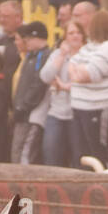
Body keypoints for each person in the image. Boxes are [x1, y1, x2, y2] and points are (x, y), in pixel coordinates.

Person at [67, 9, 108, 168]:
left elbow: (89, 75)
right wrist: (78, 73)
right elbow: (71, 65)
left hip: (98, 107)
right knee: (82, 154)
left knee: (99, 152)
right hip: (79, 106)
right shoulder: (89, 46)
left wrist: (79, 73)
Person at [38, 16, 80, 167]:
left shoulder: (87, 54)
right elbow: (45, 76)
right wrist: (62, 56)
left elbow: (84, 83)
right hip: (56, 112)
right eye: (71, 33)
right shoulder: (57, 54)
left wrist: (63, 86)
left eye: (78, 32)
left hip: (77, 114)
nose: (75, 35)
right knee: (50, 152)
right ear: (65, 37)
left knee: (77, 156)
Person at [10, 20, 50, 164]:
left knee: (24, 151)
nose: (26, 42)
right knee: (17, 149)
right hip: (21, 111)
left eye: (28, 39)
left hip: (30, 113)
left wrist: (24, 106)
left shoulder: (43, 56)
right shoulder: (30, 56)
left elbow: (37, 84)